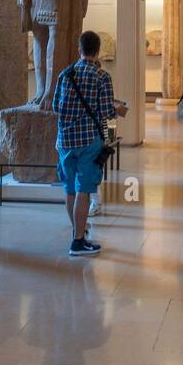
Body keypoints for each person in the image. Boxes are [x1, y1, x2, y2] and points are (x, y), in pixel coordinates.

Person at [54, 30, 127, 255]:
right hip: (88, 140)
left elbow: (56, 106)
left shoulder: (65, 74)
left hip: (65, 140)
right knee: (84, 190)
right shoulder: (101, 77)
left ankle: (79, 231)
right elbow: (106, 112)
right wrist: (118, 109)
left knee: (70, 191)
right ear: (98, 51)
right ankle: (78, 241)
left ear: (79, 48)